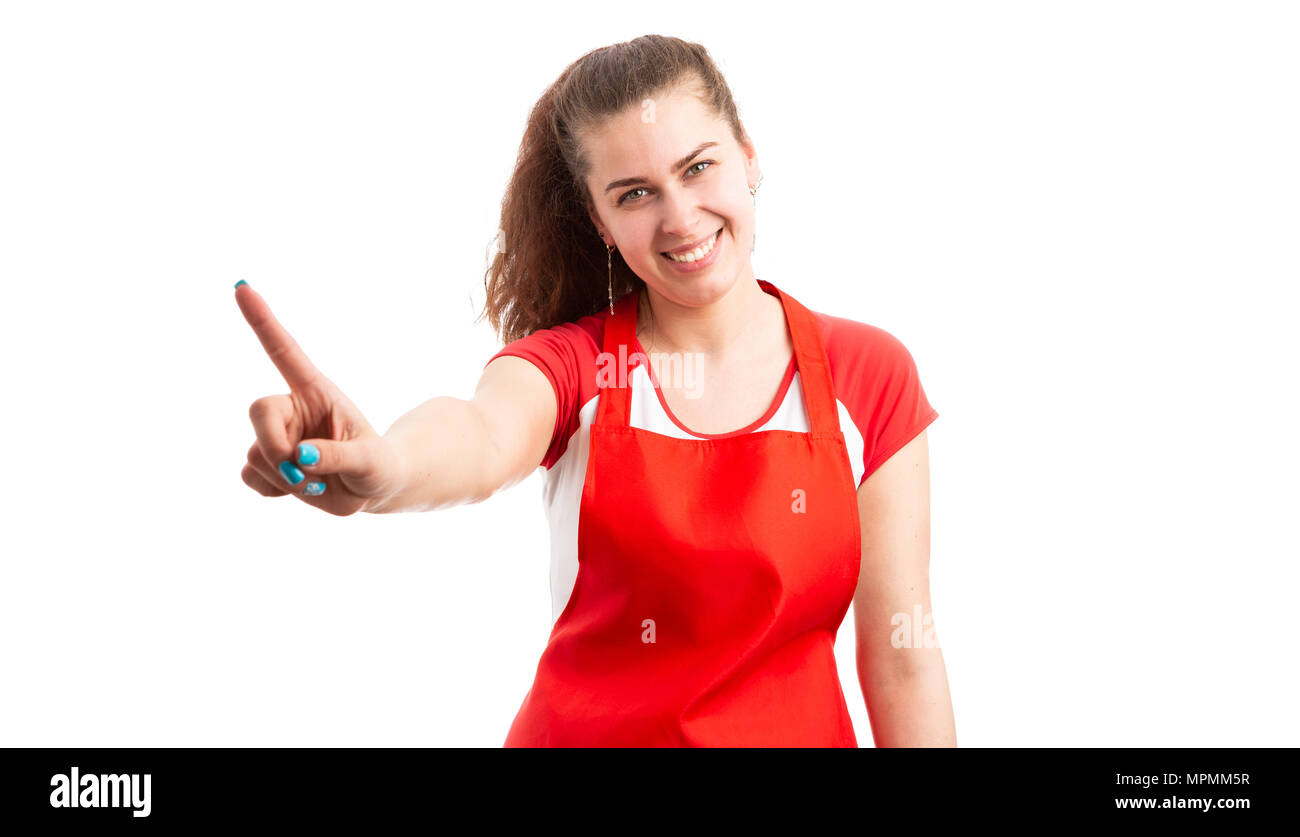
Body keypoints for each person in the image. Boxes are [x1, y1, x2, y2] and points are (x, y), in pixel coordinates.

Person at [235, 35, 955, 747]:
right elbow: (482, 433)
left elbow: (902, 656)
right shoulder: (577, 366)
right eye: (635, 193)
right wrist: (386, 465)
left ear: (748, 157)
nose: (679, 217)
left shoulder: (866, 374)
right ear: (600, 222)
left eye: (698, 167)